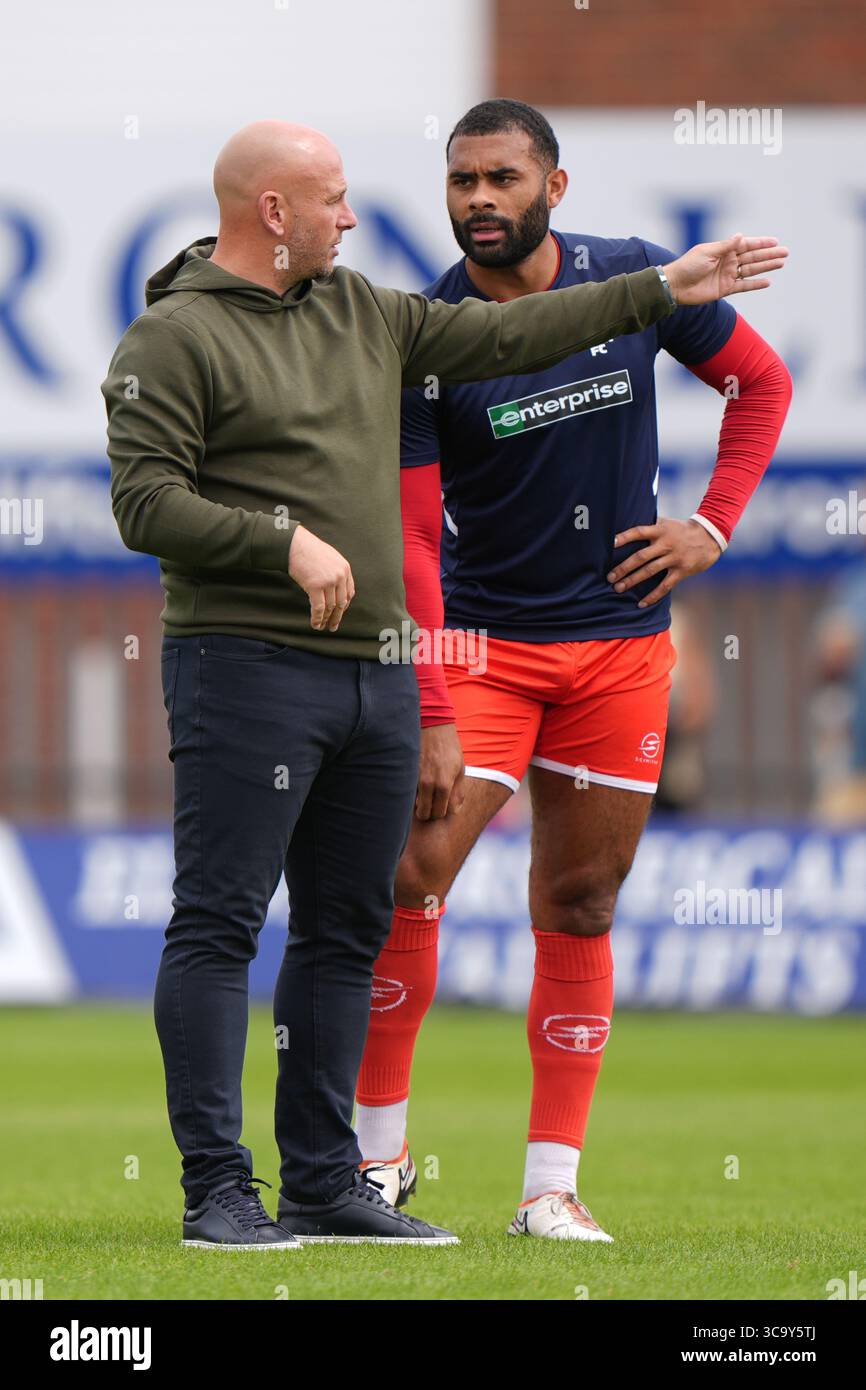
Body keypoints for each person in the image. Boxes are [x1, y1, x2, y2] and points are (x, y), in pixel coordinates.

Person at [101, 116, 785, 1248]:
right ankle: (235, 1186)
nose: (357, 214)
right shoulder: (174, 339)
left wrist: (663, 288)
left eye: (493, 176)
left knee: (356, 918)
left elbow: (522, 337)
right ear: (274, 211)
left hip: (401, 663)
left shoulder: (364, 310)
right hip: (273, 658)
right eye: (333, 197)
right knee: (239, 918)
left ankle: (349, 1183)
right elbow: (146, 503)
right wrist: (288, 547)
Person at [354, 99, 793, 1241]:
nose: (478, 200)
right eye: (460, 182)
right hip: (487, 646)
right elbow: (408, 541)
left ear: (554, 182)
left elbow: (762, 387)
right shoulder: (423, 332)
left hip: (619, 650)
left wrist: (713, 524)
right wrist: (435, 698)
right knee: (410, 870)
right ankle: (376, 1161)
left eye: (501, 177)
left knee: (581, 902)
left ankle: (548, 1188)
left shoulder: (635, 279)